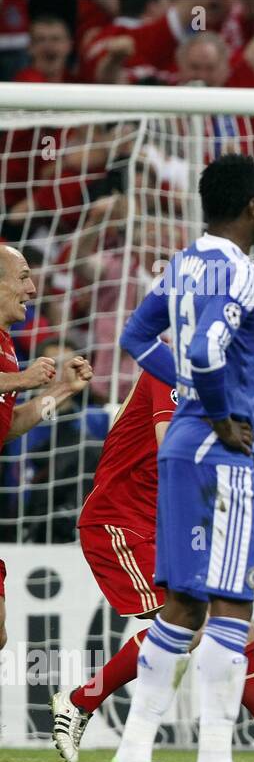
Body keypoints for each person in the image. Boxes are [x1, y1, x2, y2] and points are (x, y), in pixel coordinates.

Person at [51, 362, 254, 762]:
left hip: (162, 524)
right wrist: (253, 436)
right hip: (119, 522)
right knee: (193, 625)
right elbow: (171, 448)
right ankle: (80, 702)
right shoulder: (169, 368)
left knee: (235, 627)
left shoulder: (201, 376)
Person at [113, 153, 254, 762]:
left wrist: (188, 394)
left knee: (184, 604)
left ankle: (133, 757)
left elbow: (137, 337)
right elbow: (204, 349)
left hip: (178, 447)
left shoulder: (183, 263)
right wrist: (220, 414)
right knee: (232, 604)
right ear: (252, 207)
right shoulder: (244, 273)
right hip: (219, 449)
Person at [0, 245, 95, 651]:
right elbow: (16, 385)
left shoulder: (6, 343)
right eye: (23, 277)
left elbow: (8, 427)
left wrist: (60, 390)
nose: (33, 288)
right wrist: (21, 380)